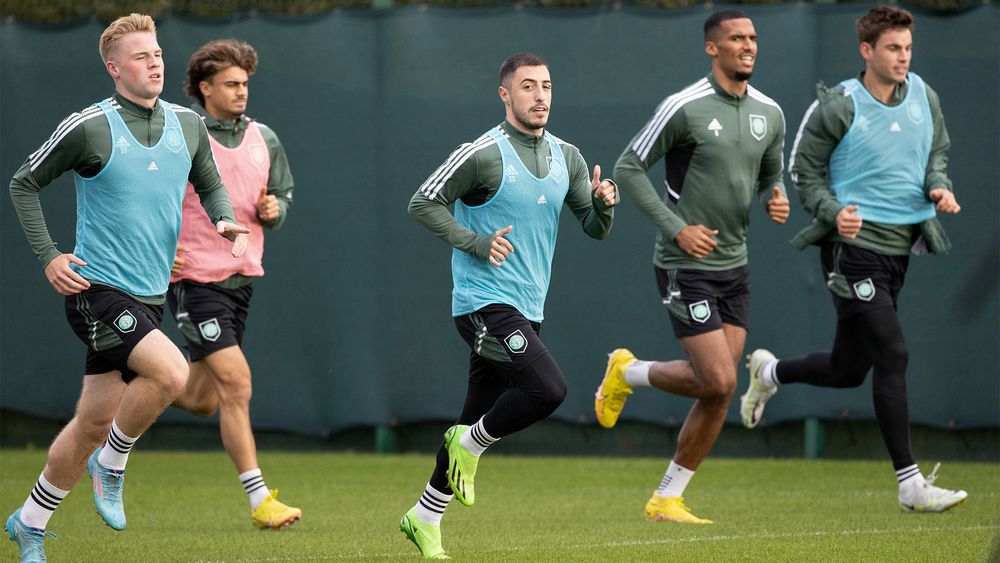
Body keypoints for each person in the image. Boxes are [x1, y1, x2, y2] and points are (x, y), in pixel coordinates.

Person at [4, 13, 248, 562]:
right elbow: (24, 183)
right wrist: (49, 257)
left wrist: (224, 218)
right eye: (141, 56)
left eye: (158, 53)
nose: (155, 62)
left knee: (90, 422)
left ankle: (30, 522)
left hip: (149, 297)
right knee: (171, 372)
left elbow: (207, 179)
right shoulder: (90, 126)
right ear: (114, 68)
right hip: (95, 289)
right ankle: (113, 463)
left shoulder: (188, 124)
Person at [738, 5, 967, 513]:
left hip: (899, 248)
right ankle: (910, 485)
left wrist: (938, 186)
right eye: (892, 48)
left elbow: (937, 153)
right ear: (867, 51)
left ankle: (769, 373)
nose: (903, 56)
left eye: (907, 47)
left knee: (848, 370)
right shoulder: (840, 104)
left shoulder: (924, 97)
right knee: (894, 354)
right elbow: (803, 167)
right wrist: (833, 211)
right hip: (850, 250)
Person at [400, 52, 617, 559]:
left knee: (476, 412)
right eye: (527, 87)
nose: (540, 96)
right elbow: (422, 202)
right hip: (482, 304)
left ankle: (425, 516)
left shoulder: (569, 156)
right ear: (505, 95)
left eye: (546, 86)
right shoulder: (482, 153)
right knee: (548, 389)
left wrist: (605, 206)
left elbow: (593, 228)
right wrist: (475, 242)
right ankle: (470, 445)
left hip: (527, 307)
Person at [595, 10, 788, 524]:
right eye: (736, 38)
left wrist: (777, 197)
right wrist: (675, 226)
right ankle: (627, 373)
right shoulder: (684, 106)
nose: (748, 46)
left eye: (753, 37)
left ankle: (666, 497)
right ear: (712, 48)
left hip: (735, 265)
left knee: (715, 388)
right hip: (685, 264)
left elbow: (771, 173)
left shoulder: (770, 111)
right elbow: (627, 167)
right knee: (722, 381)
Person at [166, 39, 301, 529]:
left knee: (204, 399)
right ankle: (260, 500)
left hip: (242, 281)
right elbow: (150, 196)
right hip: (193, 280)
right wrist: (162, 250)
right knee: (238, 384)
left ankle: (136, 379)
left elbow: (282, 194)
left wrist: (275, 209)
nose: (242, 91)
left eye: (245, 83)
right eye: (231, 83)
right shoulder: (182, 133)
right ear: (205, 88)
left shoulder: (264, 137)